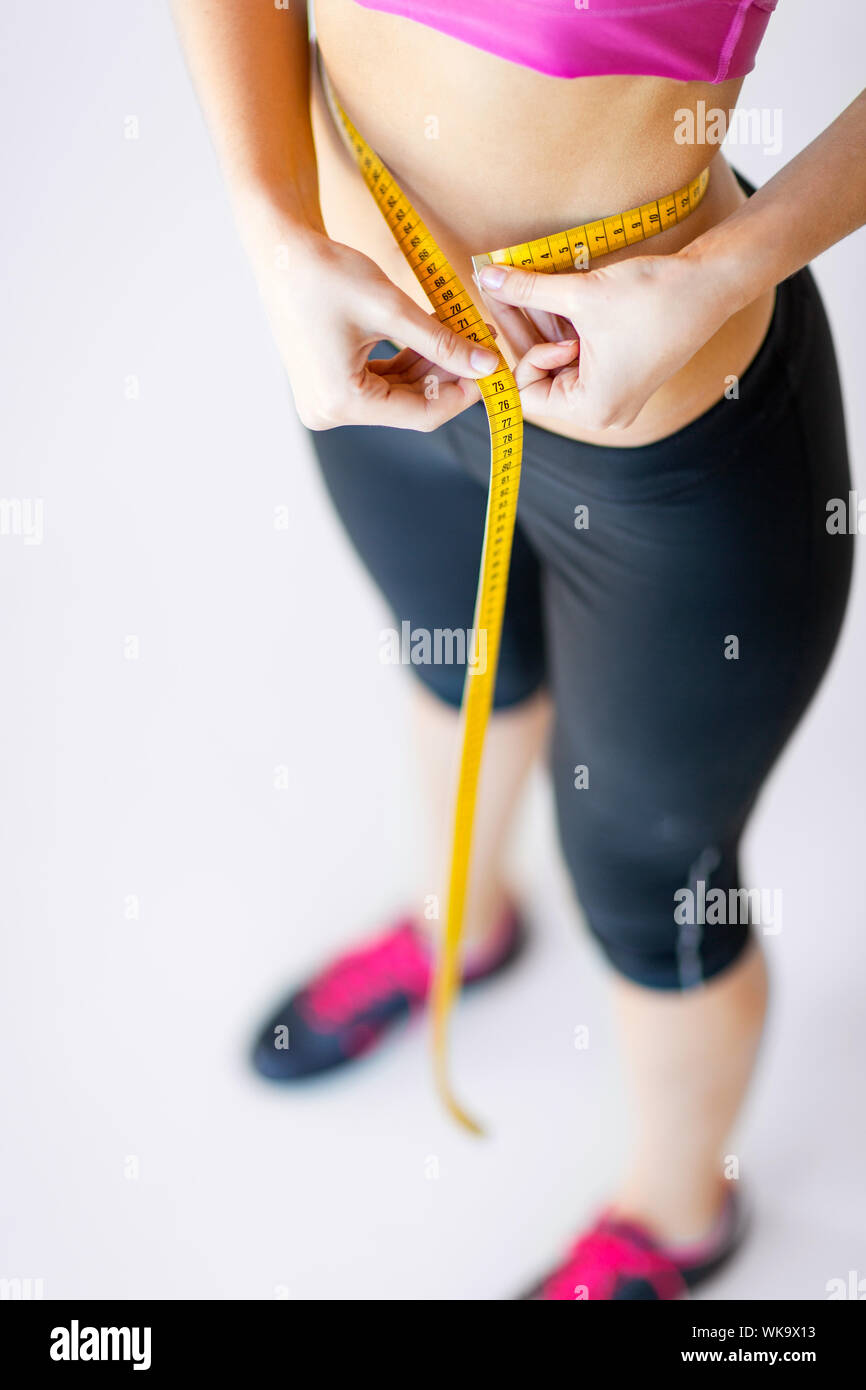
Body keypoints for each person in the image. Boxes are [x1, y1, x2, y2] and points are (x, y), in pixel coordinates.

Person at [172, 0, 865, 1299]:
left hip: (659, 433)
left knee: (652, 883)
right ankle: (456, 924)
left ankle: (672, 1218)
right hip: (367, 353)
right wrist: (272, 228)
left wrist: (723, 269)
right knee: (451, 673)